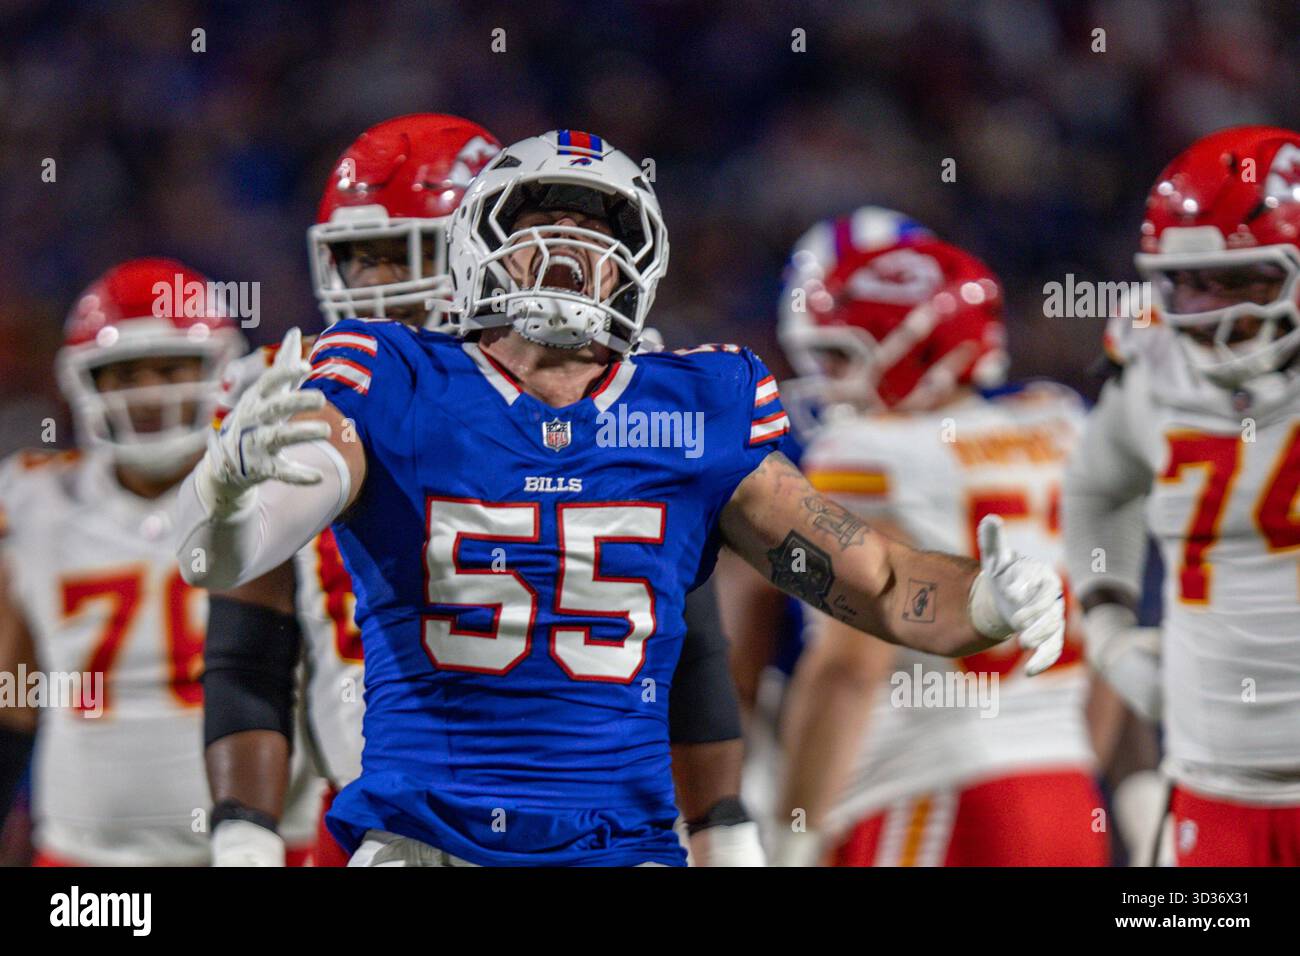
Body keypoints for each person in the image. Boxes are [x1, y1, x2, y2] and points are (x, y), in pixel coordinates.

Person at [174, 130, 1067, 867]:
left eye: (596, 231)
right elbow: (231, 555)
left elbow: (874, 583)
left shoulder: (695, 411)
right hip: (423, 847)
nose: (567, 248)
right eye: (539, 224)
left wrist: (982, 601)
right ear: (477, 248)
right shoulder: (391, 377)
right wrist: (223, 498)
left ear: (636, 266)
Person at [204, 115, 763, 866]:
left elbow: (686, 638)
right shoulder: (308, 391)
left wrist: (722, 823)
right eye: (358, 259)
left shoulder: (612, 389)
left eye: (400, 254)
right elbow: (249, 643)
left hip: (586, 824)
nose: (372, 285)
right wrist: (245, 824)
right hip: (377, 813)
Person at [770, 208, 1108, 866]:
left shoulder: (866, 450)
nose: (824, 377)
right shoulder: (1063, 424)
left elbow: (847, 670)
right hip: (1066, 789)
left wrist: (794, 832)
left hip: (930, 791)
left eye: (842, 355)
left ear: (922, 348)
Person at [0, 258, 316, 865]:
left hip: (268, 845)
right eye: (124, 372)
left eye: (171, 367)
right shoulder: (36, 500)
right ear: (81, 382)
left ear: (221, 370)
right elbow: (12, 698)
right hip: (87, 858)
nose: (149, 391)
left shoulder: (286, 482)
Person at [1064, 125, 1300, 867]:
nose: (1203, 310)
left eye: (1239, 280)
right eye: (1187, 282)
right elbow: (1097, 490)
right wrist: (1107, 627)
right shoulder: (1153, 358)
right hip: (1206, 780)